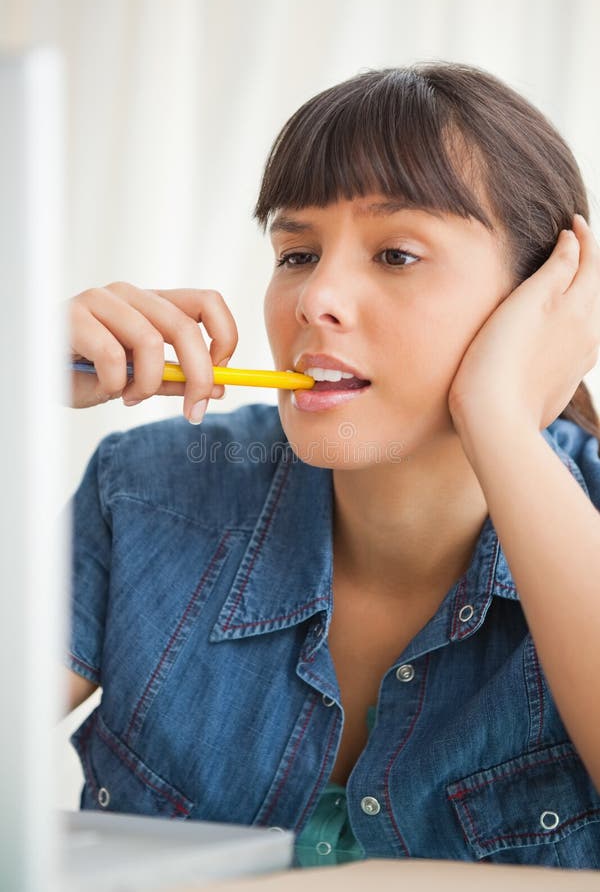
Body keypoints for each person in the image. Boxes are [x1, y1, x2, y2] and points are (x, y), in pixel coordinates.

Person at [64, 61, 600, 869]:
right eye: (296, 254)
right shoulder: (147, 491)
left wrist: (500, 417)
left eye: (395, 254)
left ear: (544, 299)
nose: (314, 299)